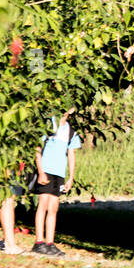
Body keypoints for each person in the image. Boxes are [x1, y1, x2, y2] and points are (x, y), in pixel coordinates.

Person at [33, 109, 81, 256]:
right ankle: (39, 242)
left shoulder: (71, 131)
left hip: (59, 173)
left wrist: (71, 177)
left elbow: (71, 154)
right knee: (43, 204)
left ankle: (50, 242)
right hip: (46, 169)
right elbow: (38, 148)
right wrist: (40, 171)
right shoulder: (49, 123)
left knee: (53, 208)